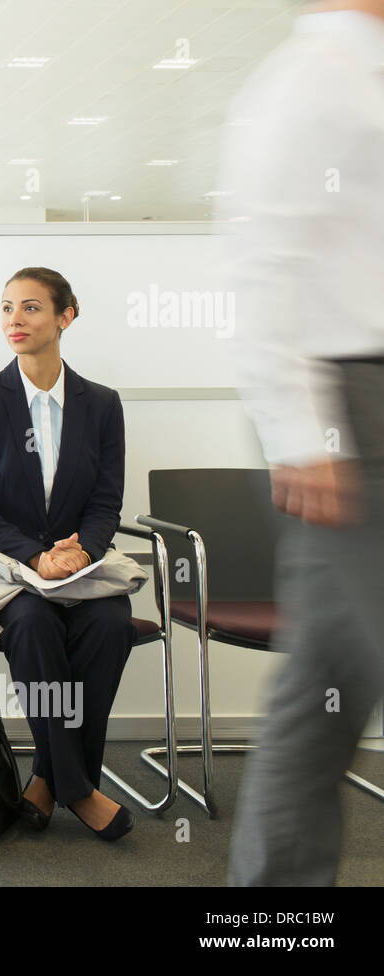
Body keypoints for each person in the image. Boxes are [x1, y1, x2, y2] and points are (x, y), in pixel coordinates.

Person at [223, 0, 384, 885]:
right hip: (348, 405)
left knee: (317, 701)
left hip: (364, 394)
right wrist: (300, 427)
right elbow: (259, 263)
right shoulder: (311, 77)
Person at [0, 267, 136, 841]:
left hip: (78, 571)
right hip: (7, 573)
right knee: (32, 625)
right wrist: (36, 557)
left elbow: (106, 501)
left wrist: (80, 554)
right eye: (6, 308)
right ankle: (80, 789)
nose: (14, 321)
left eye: (30, 308)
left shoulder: (101, 404)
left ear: (65, 316)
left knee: (110, 624)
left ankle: (48, 779)